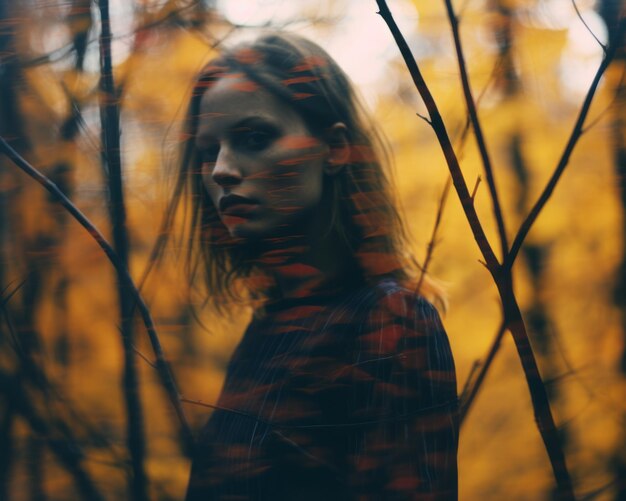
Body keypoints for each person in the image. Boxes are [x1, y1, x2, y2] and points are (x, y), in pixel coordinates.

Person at [177, 31, 459, 500]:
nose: (221, 169)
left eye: (254, 138)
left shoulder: (392, 322)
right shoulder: (268, 327)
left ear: (334, 149)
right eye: (208, 151)